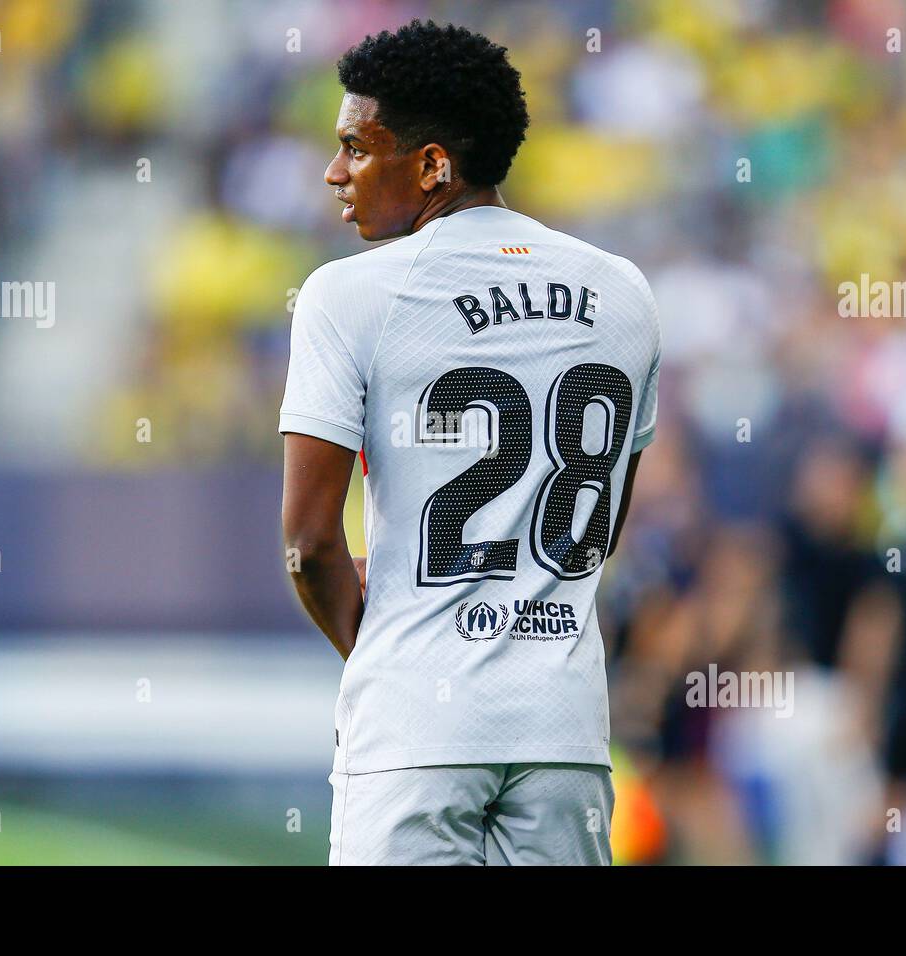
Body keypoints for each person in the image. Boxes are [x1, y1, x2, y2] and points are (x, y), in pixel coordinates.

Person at [278, 20, 661, 865]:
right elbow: (595, 535)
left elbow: (309, 546)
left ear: (432, 165)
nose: (335, 173)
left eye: (354, 147)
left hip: (416, 734)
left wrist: (395, 645)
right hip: (564, 733)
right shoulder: (624, 290)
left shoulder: (347, 296)